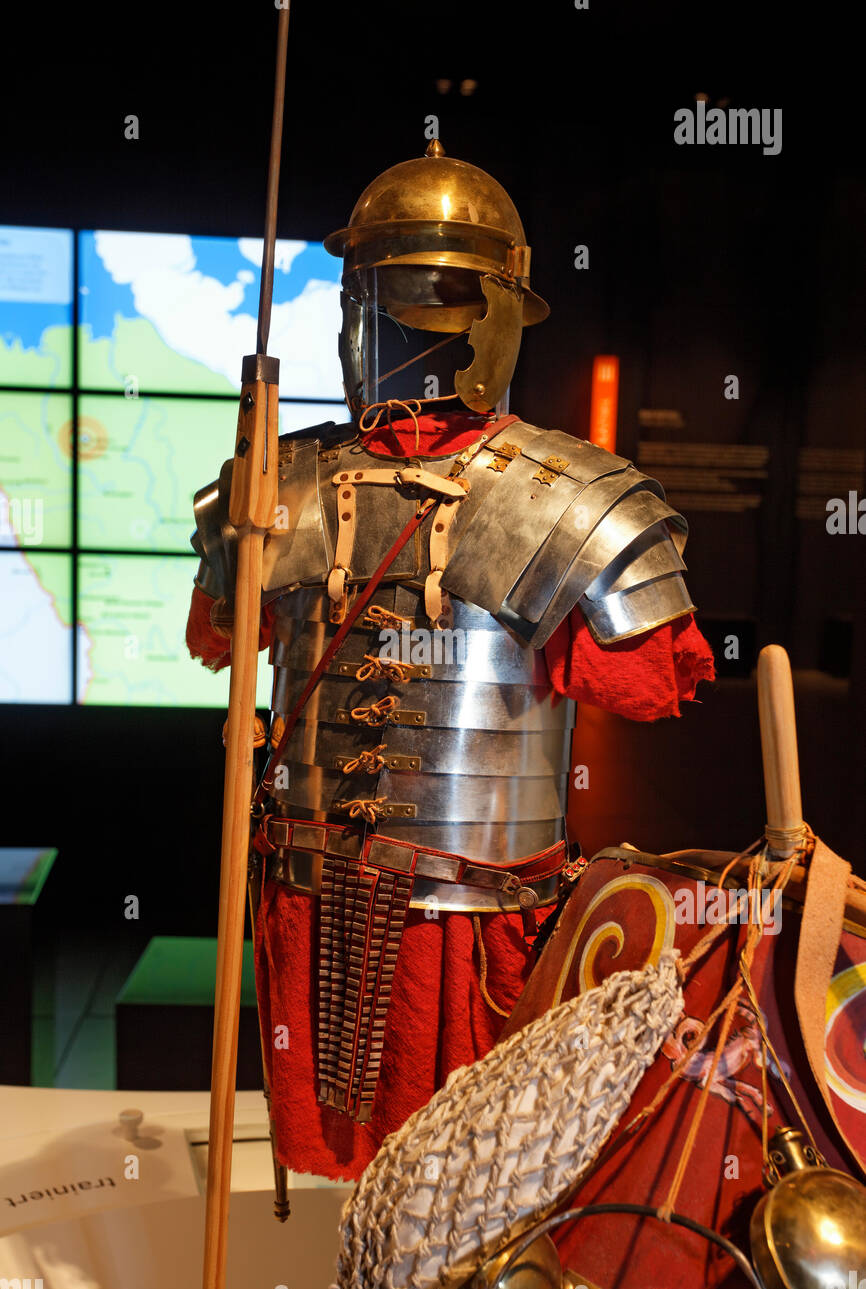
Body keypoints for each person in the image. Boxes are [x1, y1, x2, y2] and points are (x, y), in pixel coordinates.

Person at [186, 138, 714, 1182]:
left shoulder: (571, 500)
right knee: (375, 1177)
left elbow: (649, 674)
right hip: (310, 895)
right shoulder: (269, 486)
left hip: (469, 924)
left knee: (471, 1177)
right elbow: (225, 633)